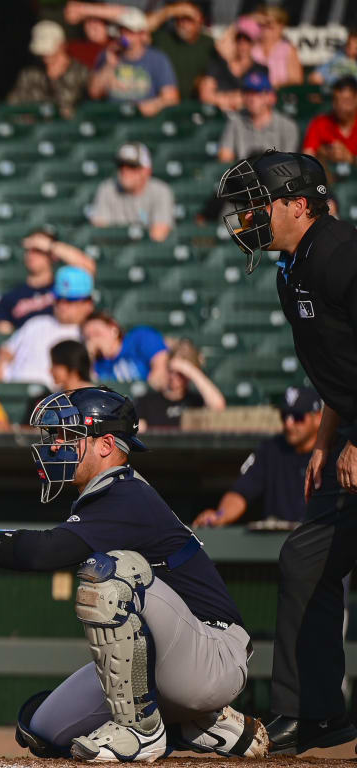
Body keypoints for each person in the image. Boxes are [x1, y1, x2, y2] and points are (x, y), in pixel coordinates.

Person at [0, 387, 264, 761]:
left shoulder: (126, 495)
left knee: (109, 576)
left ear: (106, 444)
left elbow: (42, 552)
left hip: (212, 652)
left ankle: (141, 732)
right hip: (169, 659)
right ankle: (199, 724)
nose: (55, 445)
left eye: (67, 436)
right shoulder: (105, 494)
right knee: (42, 730)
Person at [216, 147, 357, 756]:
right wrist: (327, 439)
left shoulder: (341, 252)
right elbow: (340, 367)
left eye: (260, 203)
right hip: (347, 432)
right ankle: (315, 713)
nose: (248, 217)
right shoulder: (291, 267)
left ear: (299, 205)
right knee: (306, 560)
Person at [196, 387, 321, 528]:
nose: (288, 423)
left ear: (318, 418)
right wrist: (220, 516)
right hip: (279, 540)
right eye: (284, 415)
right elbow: (241, 492)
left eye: (298, 417)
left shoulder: (332, 450)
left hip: (319, 538)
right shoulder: (271, 449)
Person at [0, 266, 92, 387]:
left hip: (55, 399)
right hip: (15, 390)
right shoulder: (36, 322)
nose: (62, 305)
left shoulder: (87, 332)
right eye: (58, 299)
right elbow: (6, 350)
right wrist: (1, 368)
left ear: (88, 304)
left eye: (70, 301)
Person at [0, 230, 95, 335]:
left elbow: (87, 268)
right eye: (29, 250)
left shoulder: (65, 289)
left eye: (38, 250)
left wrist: (50, 246)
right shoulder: (12, 295)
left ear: (53, 255)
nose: (31, 255)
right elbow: (4, 334)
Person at [87, 8, 180, 116]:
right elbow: (94, 93)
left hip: (144, 124)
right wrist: (109, 65)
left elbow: (171, 98)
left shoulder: (157, 59)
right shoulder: (107, 54)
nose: (125, 35)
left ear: (142, 35)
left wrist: (154, 105)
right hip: (114, 119)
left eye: (130, 31)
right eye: (122, 30)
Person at [88, 142, 176, 242]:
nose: (125, 171)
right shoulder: (107, 189)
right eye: (121, 165)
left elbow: (159, 235)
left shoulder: (161, 191)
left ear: (146, 171)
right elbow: (100, 232)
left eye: (132, 166)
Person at [134, 339, 225, 429]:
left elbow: (218, 406)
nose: (174, 376)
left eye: (181, 373)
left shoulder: (196, 401)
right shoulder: (146, 402)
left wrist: (190, 370)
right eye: (171, 370)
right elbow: (139, 432)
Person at [7, 20, 90, 119]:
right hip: (35, 129)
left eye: (48, 49)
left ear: (62, 45)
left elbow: (91, 106)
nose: (44, 55)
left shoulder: (81, 72)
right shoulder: (30, 74)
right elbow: (13, 105)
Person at [217, 72, 300, 163]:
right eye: (248, 93)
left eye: (258, 93)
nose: (252, 98)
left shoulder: (287, 125)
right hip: (243, 174)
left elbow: (289, 164)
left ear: (270, 97)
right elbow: (225, 158)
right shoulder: (236, 121)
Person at [148, 2, 215, 98]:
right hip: (165, 104)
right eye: (179, 18)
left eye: (188, 19)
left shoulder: (208, 43)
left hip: (194, 104)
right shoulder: (164, 38)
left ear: (200, 20)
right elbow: (142, 27)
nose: (182, 23)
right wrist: (172, 10)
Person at [82, 312, 167, 387]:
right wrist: (90, 357)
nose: (93, 341)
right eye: (88, 338)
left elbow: (160, 368)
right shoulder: (96, 364)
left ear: (113, 329)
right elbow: (91, 387)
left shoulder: (140, 338)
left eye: (97, 334)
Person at [202, 30, 268, 111]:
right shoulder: (217, 65)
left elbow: (264, 96)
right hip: (219, 114)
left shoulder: (261, 69)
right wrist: (227, 100)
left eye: (247, 42)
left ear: (253, 44)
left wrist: (240, 99)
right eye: (239, 42)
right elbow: (205, 94)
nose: (243, 46)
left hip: (247, 117)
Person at [302, 75, 357, 171]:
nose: (340, 106)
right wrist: (326, 153)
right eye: (336, 100)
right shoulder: (320, 123)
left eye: (345, 101)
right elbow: (307, 159)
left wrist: (350, 158)